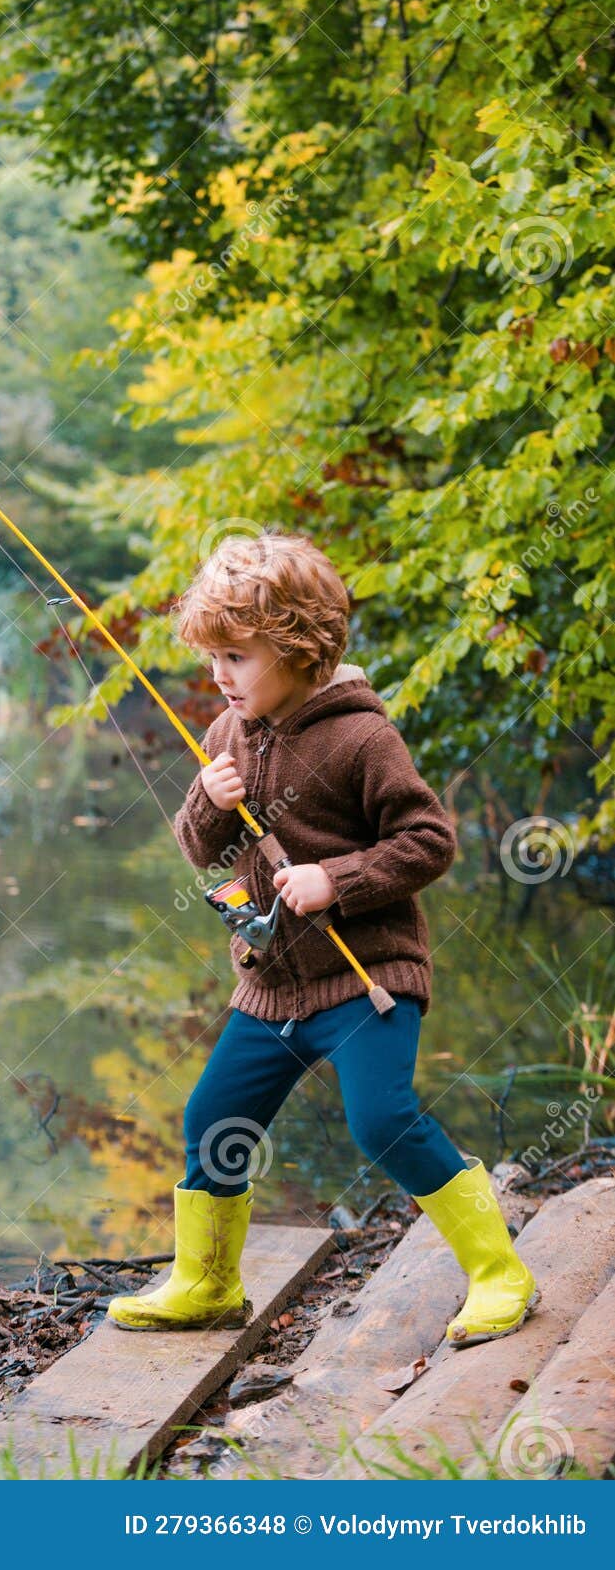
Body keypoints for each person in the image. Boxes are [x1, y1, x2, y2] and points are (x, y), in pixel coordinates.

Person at [107, 532, 537, 1348]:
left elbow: (427, 841)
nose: (218, 675)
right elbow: (201, 849)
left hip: (365, 977)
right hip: (272, 984)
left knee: (381, 1121)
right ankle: (207, 1283)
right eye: (211, 657)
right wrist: (205, 799)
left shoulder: (361, 739)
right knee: (212, 1119)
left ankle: (497, 1272)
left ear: (298, 647)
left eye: (235, 657)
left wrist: (336, 879)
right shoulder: (226, 733)